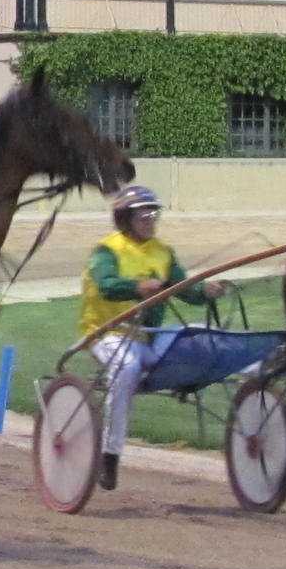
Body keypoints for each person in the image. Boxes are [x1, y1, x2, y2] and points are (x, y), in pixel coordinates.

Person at [79, 183, 228, 491]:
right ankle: (110, 455)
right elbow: (106, 286)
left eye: (152, 214)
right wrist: (138, 287)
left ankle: (260, 364)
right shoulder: (107, 251)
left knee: (201, 336)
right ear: (125, 218)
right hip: (108, 334)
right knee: (128, 368)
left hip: (149, 338)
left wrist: (205, 291)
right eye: (142, 215)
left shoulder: (163, 252)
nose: (150, 220)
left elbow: (185, 289)